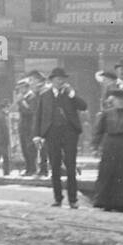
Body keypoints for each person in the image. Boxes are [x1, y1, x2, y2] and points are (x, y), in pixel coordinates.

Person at [33, 67, 88, 209]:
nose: (61, 81)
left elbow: (83, 106)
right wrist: (37, 135)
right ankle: (58, 198)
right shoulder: (44, 96)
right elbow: (38, 116)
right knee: (55, 166)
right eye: (58, 79)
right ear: (51, 81)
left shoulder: (70, 94)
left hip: (70, 133)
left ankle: (73, 199)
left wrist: (72, 95)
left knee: (71, 166)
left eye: (63, 79)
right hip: (52, 134)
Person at [15, 79, 39, 176]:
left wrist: (21, 102)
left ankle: (33, 168)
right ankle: (28, 168)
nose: (20, 90)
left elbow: (30, 112)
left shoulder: (32, 97)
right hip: (23, 127)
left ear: (27, 87)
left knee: (30, 149)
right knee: (24, 148)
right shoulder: (22, 99)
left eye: (22, 88)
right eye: (19, 88)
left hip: (30, 127)